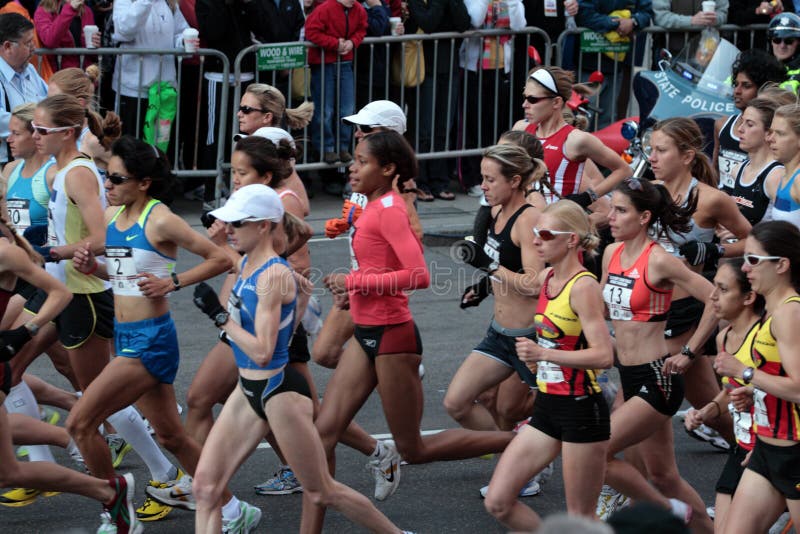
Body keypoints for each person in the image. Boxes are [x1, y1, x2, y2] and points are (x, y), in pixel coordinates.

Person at [307, 131, 513, 531]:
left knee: (413, 449)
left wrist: (355, 283)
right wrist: (352, 288)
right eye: (354, 158)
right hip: (365, 334)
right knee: (323, 434)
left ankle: (528, 440)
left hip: (392, 340)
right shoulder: (368, 205)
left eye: (362, 161)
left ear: (387, 169)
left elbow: (418, 274)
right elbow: (374, 268)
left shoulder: (390, 209)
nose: (352, 166)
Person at [190, 183, 407, 534]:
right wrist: (296, 311)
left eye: (237, 223)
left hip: (279, 392)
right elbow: (299, 291)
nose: (229, 230)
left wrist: (220, 317)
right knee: (205, 488)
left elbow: (261, 352)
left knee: (321, 490)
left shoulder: (271, 276)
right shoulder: (250, 262)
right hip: (248, 390)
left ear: (263, 226)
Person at [67, 135, 235, 522]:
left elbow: (220, 258)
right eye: (105, 176)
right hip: (127, 338)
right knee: (171, 436)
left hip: (151, 340)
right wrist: (96, 268)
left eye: (116, 179)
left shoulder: (160, 219)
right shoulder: (112, 218)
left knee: (81, 422)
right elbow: (125, 274)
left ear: (143, 182)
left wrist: (172, 283)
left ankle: (115, 512)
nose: (107, 185)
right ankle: (232, 508)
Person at [0, 216, 141, 534]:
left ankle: (107, 483)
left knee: (10, 469)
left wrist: (24, 333)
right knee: (10, 472)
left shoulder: (6, 252)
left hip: (81, 307)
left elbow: (60, 293)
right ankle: (107, 488)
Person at [483, 200, 613, 530]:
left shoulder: (584, 287)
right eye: (534, 233)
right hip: (547, 406)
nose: (536, 240)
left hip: (581, 408)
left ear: (571, 240)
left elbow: (603, 355)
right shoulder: (546, 278)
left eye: (544, 233)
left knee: (580, 519)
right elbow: (517, 286)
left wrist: (545, 354)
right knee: (497, 501)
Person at [599, 177, 716, 532]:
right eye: (611, 209)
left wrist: (690, 351)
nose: (611, 217)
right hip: (629, 377)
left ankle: (667, 510)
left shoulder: (660, 260)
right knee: (664, 475)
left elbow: (715, 299)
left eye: (621, 211)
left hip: (657, 378)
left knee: (593, 450)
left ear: (645, 216)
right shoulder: (611, 253)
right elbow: (604, 311)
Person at [444, 143, 545, 498]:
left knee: (558, 418)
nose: (482, 186)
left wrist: (488, 268)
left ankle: (525, 467)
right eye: (482, 178)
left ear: (515, 181)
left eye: (490, 179)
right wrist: (483, 285)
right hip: (498, 334)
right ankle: (519, 456)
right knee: (456, 402)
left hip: (530, 340)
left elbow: (534, 283)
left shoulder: (529, 217)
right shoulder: (496, 213)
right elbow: (505, 268)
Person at [647, 118, 751, 451]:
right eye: (651, 150)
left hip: (686, 308)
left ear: (687, 155)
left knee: (634, 398)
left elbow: (753, 240)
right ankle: (755, 455)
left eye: (661, 150)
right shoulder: (651, 192)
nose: (652, 157)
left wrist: (716, 248)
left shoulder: (710, 199)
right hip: (647, 306)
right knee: (709, 402)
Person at [714, 220, 800, 533]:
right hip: (766, 449)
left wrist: (745, 372)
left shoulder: (791, 313)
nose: (746, 268)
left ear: (782, 265)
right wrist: (756, 393)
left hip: (794, 451)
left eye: (753, 260)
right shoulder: (772, 313)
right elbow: (780, 378)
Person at [683, 258, 774, 533]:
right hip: (743, 447)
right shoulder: (724, 337)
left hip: (773, 448)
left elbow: (783, 388)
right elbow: (730, 390)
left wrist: (751, 382)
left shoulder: (767, 337)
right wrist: (706, 412)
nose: (712, 296)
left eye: (722, 289)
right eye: (713, 288)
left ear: (748, 297)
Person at [516, 66, 632, 207]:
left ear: (556, 102)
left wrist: (588, 197)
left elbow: (624, 170)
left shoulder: (575, 139)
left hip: (556, 224)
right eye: (524, 97)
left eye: (532, 99)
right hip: (522, 220)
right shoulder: (521, 128)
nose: (524, 105)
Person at [457, 0, 526, 198]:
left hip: (500, 68)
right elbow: (476, 20)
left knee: (495, 124)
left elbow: (519, 25)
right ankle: (471, 177)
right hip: (474, 68)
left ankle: (493, 175)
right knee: (473, 124)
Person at [405, 0, 471, 201]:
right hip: (425, 68)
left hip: (448, 67)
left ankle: (439, 180)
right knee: (424, 128)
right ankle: (421, 180)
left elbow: (463, 23)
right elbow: (429, 23)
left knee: (444, 126)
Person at [111, 0, 194, 138]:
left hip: (164, 92)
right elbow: (123, 31)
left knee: (161, 145)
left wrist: (184, 42)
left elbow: (179, 32)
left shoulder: (170, 3)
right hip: (133, 91)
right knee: (131, 147)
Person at [304, 0, 367, 168]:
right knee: (325, 110)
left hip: (344, 63)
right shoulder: (324, 9)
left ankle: (343, 147)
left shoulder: (358, 9)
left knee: (346, 109)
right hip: (324, 64)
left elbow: (362, 28)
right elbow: (311, 32)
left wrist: (352, 42)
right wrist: (336, 44)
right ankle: (326, 147)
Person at [712, 49, 786, 190]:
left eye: (746, 86)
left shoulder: (772, 131)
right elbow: (715, 170)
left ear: (762, 89)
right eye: (736, 84)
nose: (737, 91)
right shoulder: (721, 125)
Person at [721, 96, 786, 226]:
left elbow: (786, 231)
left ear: (768, 133)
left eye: (750, 124)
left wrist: (746, 235)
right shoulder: (738, 170)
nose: (740, 129)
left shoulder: (776, 176)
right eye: (742, 122)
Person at [0, 13, 47, 165]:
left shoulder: (30, 70)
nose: (34, 48)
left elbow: (49, 102)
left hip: (33, 162)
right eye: (28, 43)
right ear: (7, 47)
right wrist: (41, 122)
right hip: (6, 166)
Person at [33, 0, 101, 71]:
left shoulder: (86, 11)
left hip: (85, 74)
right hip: (60, 75)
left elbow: (91, 54)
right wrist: (70, 9)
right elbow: (49, 41)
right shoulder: (44, 10)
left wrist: (96, 45)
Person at [766, 103, 800, 229]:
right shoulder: (786, 176)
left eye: (780, 133)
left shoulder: (798, 180)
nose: (770, 139)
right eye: (771, 132)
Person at [768, 13, 800, 93]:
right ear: (771, 42)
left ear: (798, 43)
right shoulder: (760, 66)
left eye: (789, 41)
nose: (782, 46)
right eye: (777, 40)